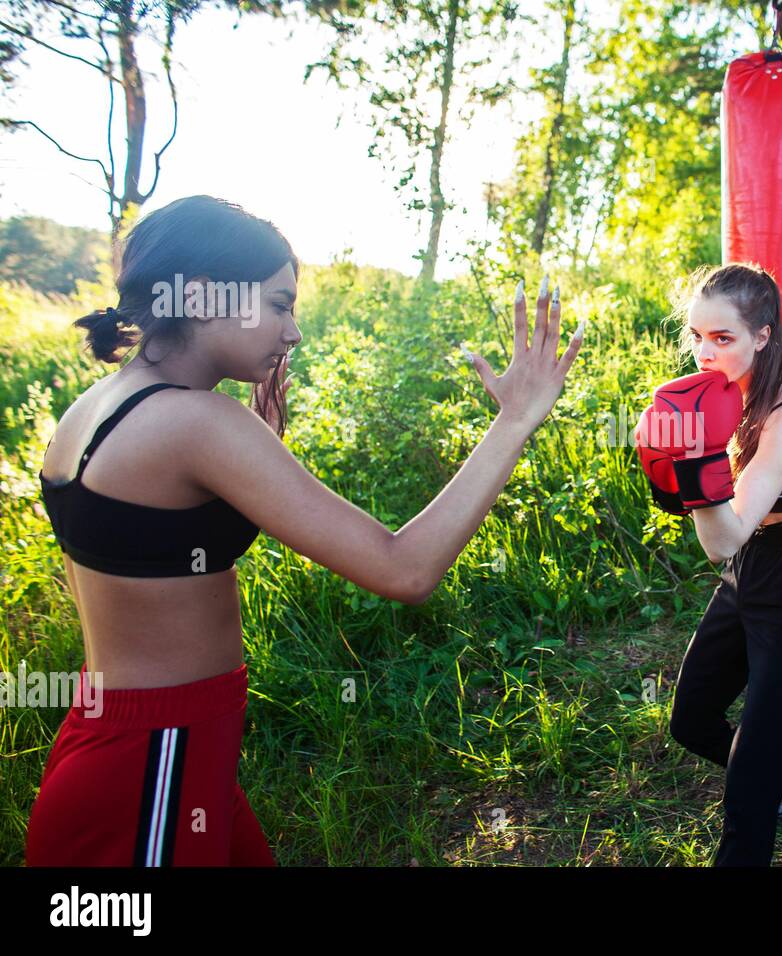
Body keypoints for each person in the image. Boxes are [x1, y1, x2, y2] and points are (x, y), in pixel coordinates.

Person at [25, 194, 583, 866]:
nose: (293, 333)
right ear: (204, 297)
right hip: (154, 773)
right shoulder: (199, 423)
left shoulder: (99, 407)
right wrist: (514, 421)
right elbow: (405, 570)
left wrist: (256, 444)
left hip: (134, 749)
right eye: (280, 305)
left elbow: (149, 547)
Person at [641, 262, 782, 867]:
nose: (704, 353)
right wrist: (666, 468)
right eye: (698, 336)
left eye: (723, 338)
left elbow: (720, 540)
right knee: (692, 720)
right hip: (752, 569)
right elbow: (707, 520)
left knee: (747, 782)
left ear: (763, 335)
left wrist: (692, 461)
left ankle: (762, 793)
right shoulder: (725, 399)